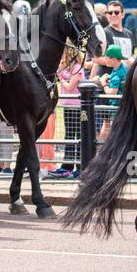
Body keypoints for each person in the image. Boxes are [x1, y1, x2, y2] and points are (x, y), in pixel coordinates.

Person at [47, 47, 85, 178]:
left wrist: (60, 78)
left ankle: (80, 166)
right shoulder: (67, 67)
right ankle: (67, 166)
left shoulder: (77, 68)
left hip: (77, 106)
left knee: (79, 136)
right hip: (68, 106)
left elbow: (70, 86)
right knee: (69, 136)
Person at [92, 0, 135, 77]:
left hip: (125, 78)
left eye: (116, 12)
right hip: (108, 80)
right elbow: (95, 59)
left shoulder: (129, 34)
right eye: (110, 13)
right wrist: (120, 62)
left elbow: (131, 55)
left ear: (123, 14)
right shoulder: (103, 33)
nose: (113, 15)